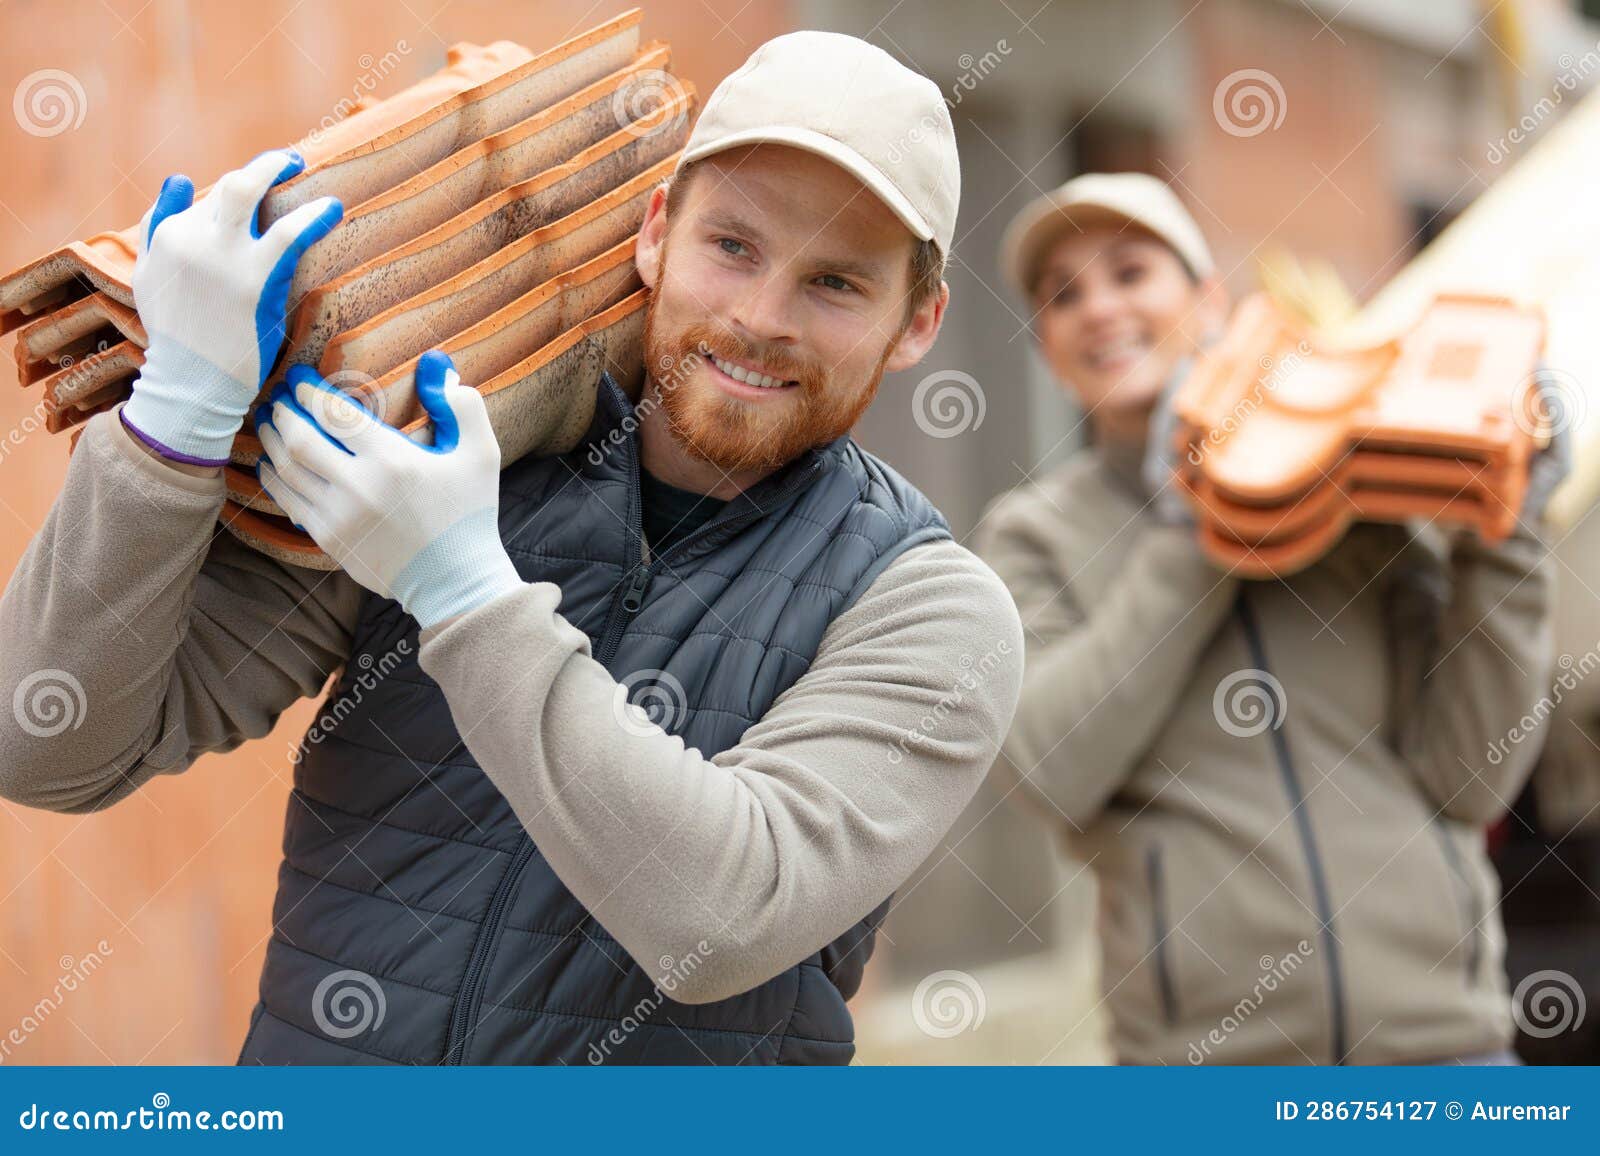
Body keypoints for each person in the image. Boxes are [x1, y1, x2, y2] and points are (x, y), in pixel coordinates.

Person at [0, 32, 1023, 1065]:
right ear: (657, 233)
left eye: (836, 284)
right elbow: (44, 746)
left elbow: (720, 920)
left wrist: (460, 588)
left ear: (917, 323)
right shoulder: (446, 459)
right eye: (733, 246)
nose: (761, 317)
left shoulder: (929, 608)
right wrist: (175, 416)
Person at [976, 172, 1563, 1065]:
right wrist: (1199, 522)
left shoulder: (1353, 495)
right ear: (1048, 348)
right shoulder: (1031, 537)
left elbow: (1470, 778)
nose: (1098, 308)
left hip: (1446, 1050)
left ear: (1211, 302)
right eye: (1063, 295)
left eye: (1130, 273)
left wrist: (1509, 532)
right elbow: (1053, 767)